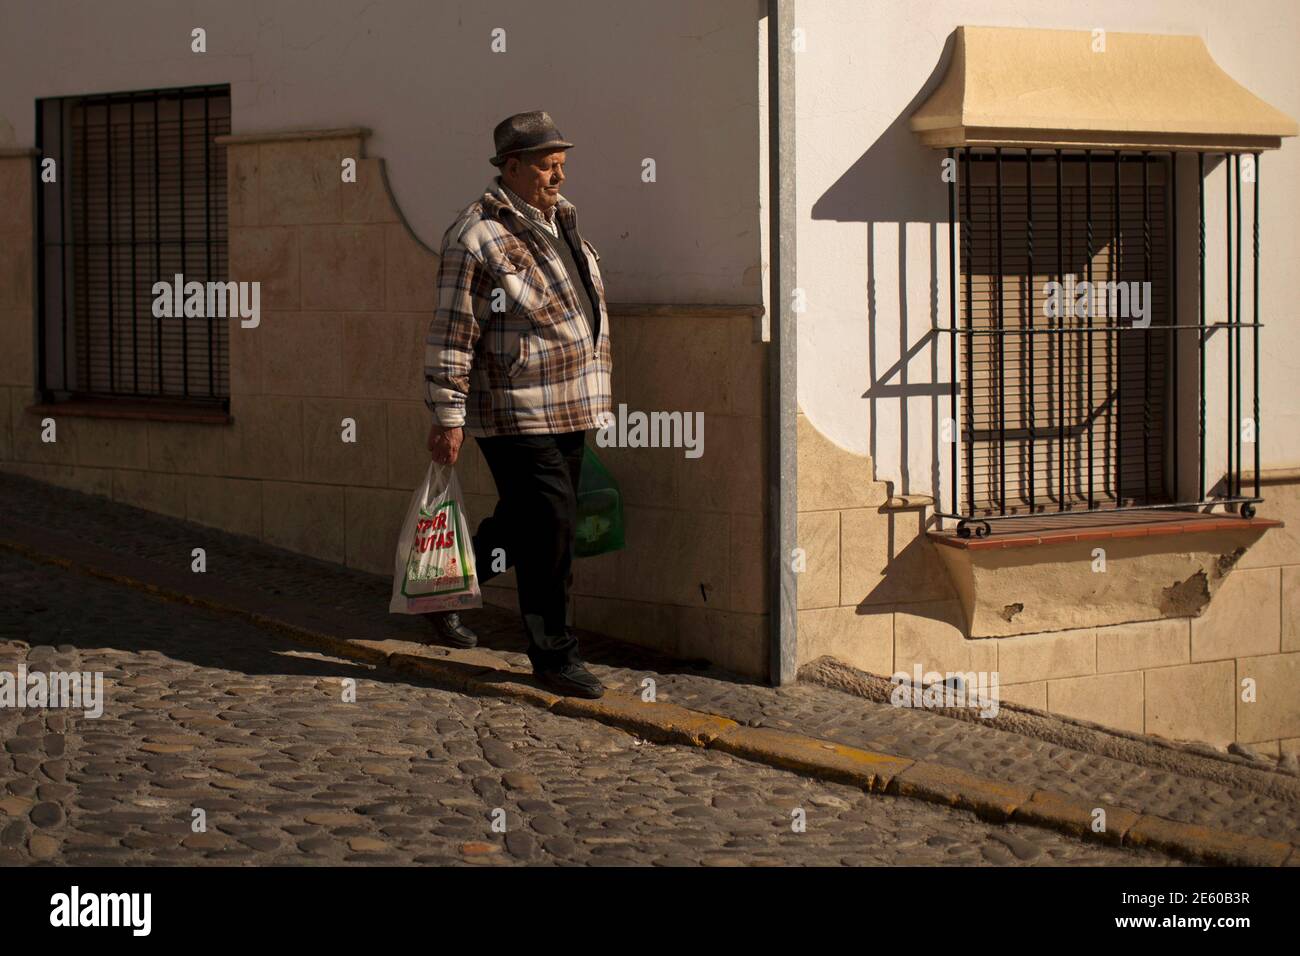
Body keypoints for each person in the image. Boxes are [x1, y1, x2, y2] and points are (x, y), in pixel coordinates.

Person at [422, 110, 612, 700]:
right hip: (515, 408)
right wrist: (448, 414)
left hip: (570, 402)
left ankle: (440, 588)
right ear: (511, 167)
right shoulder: (476, 235)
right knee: (551, 526)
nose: (558, 175)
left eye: (561, 163)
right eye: (546, 165)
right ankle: (553, 654)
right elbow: (454, 331)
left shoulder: (560, 221)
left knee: (526, 522)